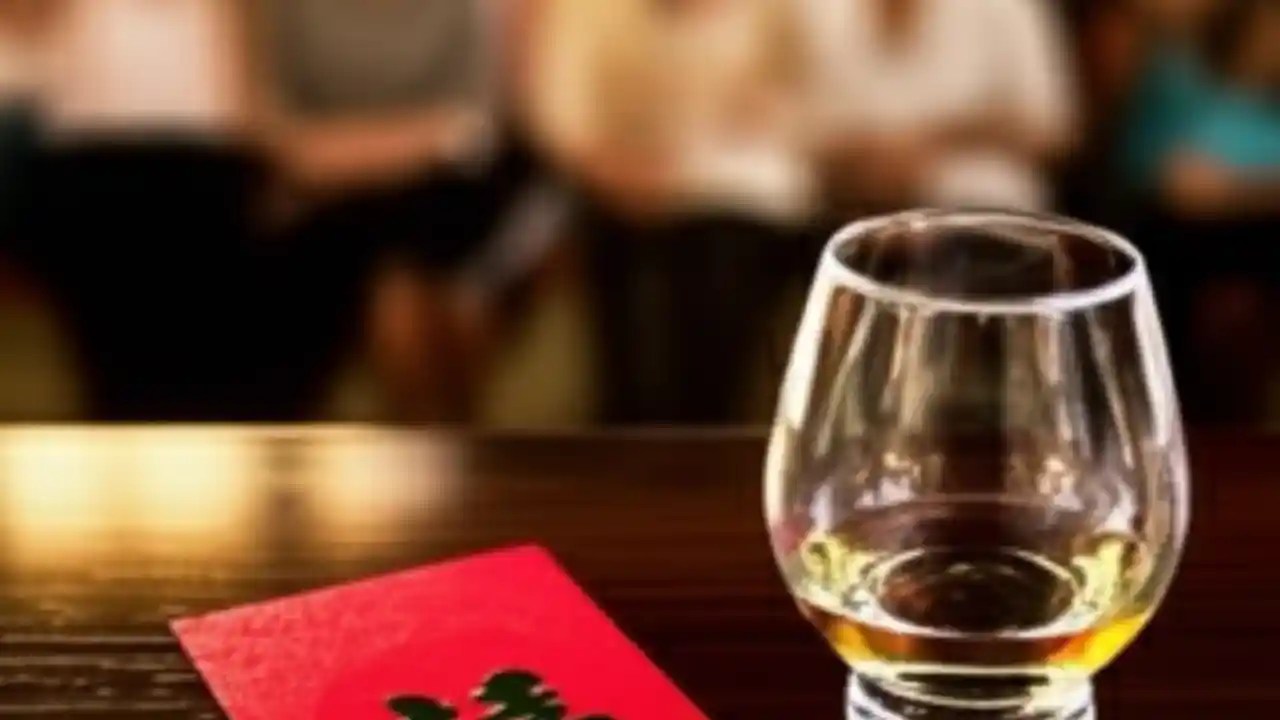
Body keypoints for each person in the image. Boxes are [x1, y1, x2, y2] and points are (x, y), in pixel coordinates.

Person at [247, 0, 554, 422]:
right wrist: (424, 139)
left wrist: (347, 148)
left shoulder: (455, 14)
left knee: (428, 300)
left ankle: (447, 450)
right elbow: (288, 148)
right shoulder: (290, 13)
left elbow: (476, 126)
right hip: (337, 207)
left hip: (443, 198)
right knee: (400, 301)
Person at [529, 0, 813, 423]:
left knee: (724, 255)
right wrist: (642, 182)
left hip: (731, 202)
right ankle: (633, 432)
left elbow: (796, 104)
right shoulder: (585, 13)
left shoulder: (769, 13)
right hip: (617, 194)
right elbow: (566, 129)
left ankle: (703, 435)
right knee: (621, 252)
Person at [27, 0, 268, 419]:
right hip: (93, 154)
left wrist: (258, 143)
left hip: (210, 155)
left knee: (203, 350)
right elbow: (27, 23)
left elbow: (250, 63)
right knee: (116, 356)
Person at [796, 0, 1076, 213]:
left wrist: (936, 144)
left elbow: (1053, 130)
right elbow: (797, 123)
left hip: (974, 207)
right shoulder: (818, 12)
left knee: (983, 189)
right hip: (840, 198)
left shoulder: (1006, 9)